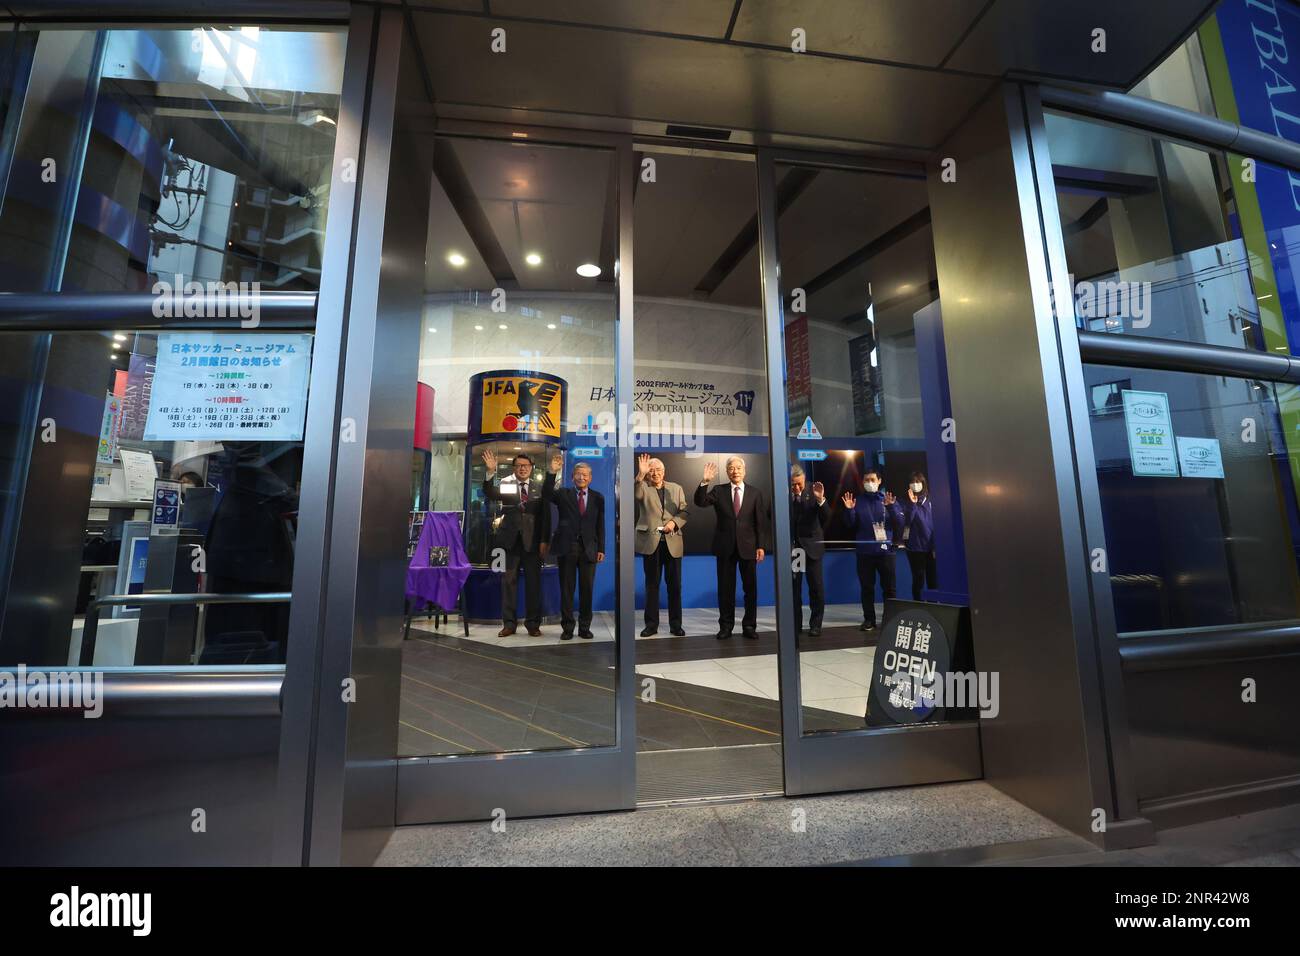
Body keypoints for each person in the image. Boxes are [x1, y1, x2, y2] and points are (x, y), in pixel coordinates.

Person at [695, 456, 771, 640]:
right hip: (725, 547)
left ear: (744, 471)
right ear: (727, 471)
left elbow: (760, 523)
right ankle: (726, 627)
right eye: (731, 468)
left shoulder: (755, 493)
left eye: (738, 468)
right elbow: (700, 502)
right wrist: (704, 482)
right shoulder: (719, 491)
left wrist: (761, 546)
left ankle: (749, 626)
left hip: (749, 547)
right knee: (725, 590)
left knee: (750, 589)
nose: (735, 471)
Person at [481, 449, 547, 637]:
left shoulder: (539, 488)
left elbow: (544, 517)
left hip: (532, 544)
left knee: (533, 585)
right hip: (510, 542)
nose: (522, 468)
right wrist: (490, 472)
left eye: (525, 466)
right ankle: (509, 624)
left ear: (531, 468)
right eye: (518, 466)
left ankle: (533, 624)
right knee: (509, 583)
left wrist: (543, 540)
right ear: (514, 468)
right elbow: (490, 492)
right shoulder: (507, 485)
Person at [543, 453, 605, 640]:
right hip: (566, 547)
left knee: (587, 590)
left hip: (589, 549)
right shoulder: (563, 494)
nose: (581, 477)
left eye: (585, 475)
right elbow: (546, 494)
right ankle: (567, 628)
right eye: (578, 474)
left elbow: (600, 525)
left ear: (590, 478)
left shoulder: (598, 497)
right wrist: (552, 472)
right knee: (567, 590)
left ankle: (585, 627)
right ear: (572, 477)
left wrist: (601, 548)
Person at [635, 453, 688, 637]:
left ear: (664, 472)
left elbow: (684, 510)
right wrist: (640, 475)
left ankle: (676, 625)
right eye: (652, 470)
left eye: (658, 470)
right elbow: (636, 493)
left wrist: (674, 523)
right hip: (651, 542)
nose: (655, 473)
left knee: (675, 586)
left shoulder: (677, 488)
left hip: (672, 541)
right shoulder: (643, 487)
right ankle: (651, 625)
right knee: (652, 585)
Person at [841, 468, 901, 632]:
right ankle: (869, 620)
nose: (869, 483)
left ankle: (890, 620)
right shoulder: (857, 501)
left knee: (889, 588)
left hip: (885, 552)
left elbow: (899, 523)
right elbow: (850, 525)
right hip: (865, 553)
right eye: (866, 480)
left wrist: (891, 508)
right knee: (867, 588)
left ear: (879, 481)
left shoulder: (888, 499)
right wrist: (849, 510)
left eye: (872, 479)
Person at [789, 464, 830, 637]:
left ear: (804, 479)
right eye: (793, 485)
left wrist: (821, 500)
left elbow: (827, 517)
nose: (797, 488)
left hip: (812, 548)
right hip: (794, 550)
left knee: (816, 588)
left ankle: (815, 625)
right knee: (794, 590)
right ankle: (795, 626)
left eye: (799, 484)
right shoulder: (783, 494)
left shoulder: (814, 491)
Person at [899, 471, 938, 601]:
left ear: (923, 483)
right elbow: (907, 522)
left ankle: (934, 607)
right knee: (918, 580)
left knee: (933, 579)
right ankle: (919, 607)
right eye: (912, 482)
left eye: (918, 482)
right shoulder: (904, 502)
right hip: (915, 548)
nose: (915, 485)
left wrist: (935, 546)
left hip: (931, 548)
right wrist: (912, 505)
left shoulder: (932, 500)